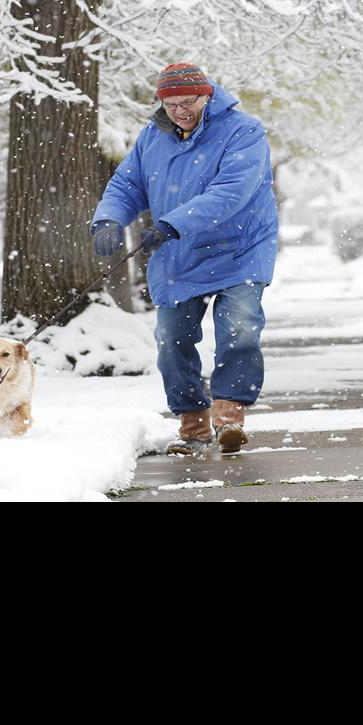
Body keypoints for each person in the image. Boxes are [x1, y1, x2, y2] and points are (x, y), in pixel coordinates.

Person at [90, 63, 278, 455]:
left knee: (239, 327)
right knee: (171, 339)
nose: (180, 110)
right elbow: (128, 184)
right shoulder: (152, 137)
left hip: (240, 249)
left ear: (207, 94)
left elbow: (231, 191)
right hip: (178, 253)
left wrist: (173, 223)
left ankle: (229, 416)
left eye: (189, 101)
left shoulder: (244, 131)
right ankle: (192, 423)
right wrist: (108, 219)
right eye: (171, 103)